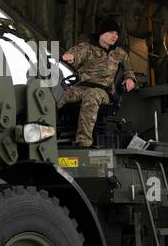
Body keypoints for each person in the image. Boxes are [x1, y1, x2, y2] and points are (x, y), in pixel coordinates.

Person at [58, 17, 136, 148]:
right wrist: (71, 57)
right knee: (62, 95)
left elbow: (129, 69)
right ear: (102, 33)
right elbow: (76, 53)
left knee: (92, 94)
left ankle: (84, 143)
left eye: (116, 33)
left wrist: (130, 79)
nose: (114, 36)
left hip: (104, 91)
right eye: (111, 32)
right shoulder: (87, 47)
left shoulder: (120, 53)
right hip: (82, 87)